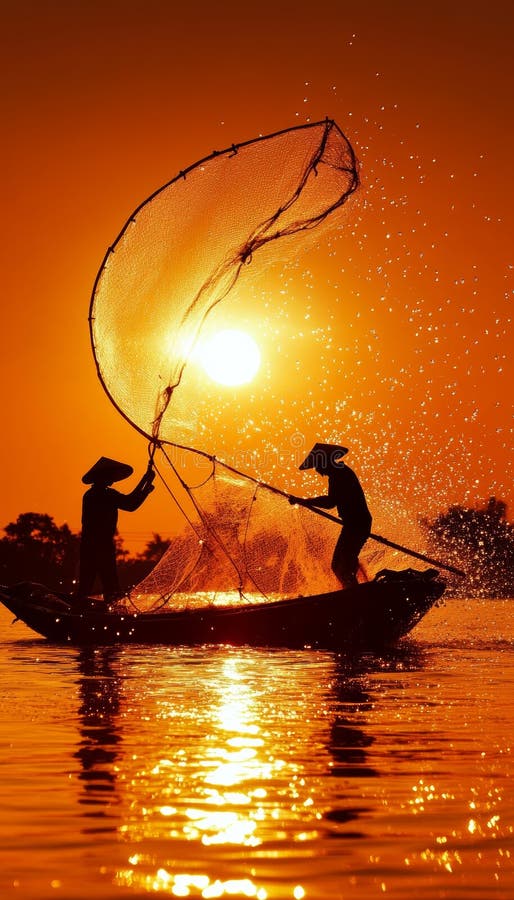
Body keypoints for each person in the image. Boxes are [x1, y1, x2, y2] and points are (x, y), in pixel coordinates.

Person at [289, 442, 372, 589]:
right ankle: (354, 591)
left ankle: (357, 595)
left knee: (343, 565)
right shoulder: (338, 472)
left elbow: (330, 502)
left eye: (317, 465)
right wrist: (304, 502)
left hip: (357, 524)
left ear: (324, 461)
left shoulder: (340, 473)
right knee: (339, 565)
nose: (316, 470)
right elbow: (332, 501)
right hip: (352, 524)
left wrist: (304, 501)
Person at [77, 456, 155, 603]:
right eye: (110, 475)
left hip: (89, 545)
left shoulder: (90, 494)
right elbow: (131, 504)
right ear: (103, 477)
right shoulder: (106, 494)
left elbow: (130, 502)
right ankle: (108, 612)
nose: (113, 478)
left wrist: (146, 483)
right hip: (101, 546)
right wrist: (146, 482)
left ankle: (81, 608)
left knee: (87, 584)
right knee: (110, 586)